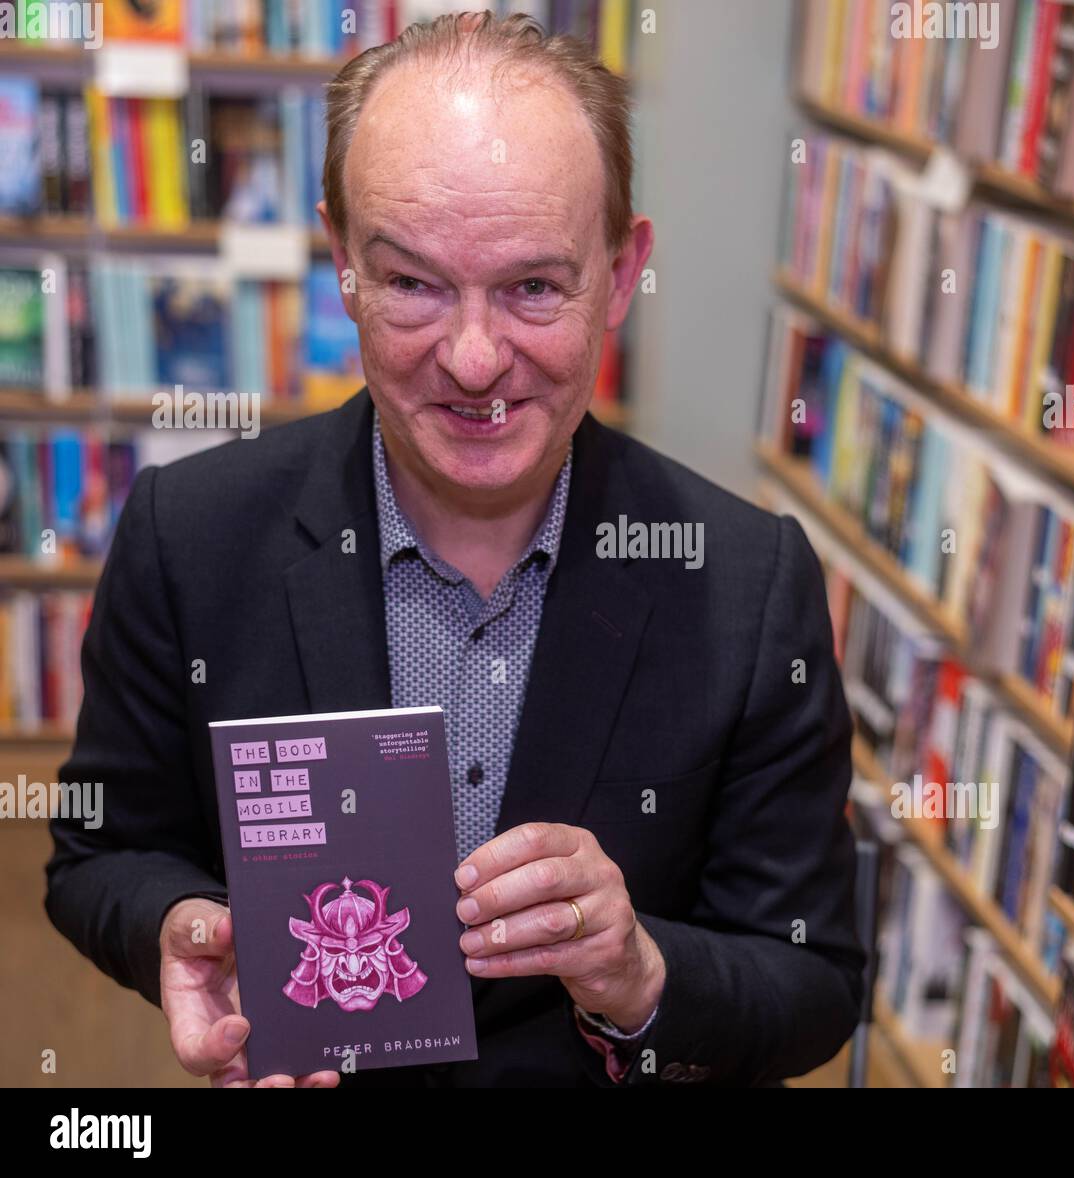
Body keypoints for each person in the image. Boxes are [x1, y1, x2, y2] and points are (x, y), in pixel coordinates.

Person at [44, 10, 863, 1088]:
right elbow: (100, 853)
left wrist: (640, 971)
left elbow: (812, 983)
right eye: (415, 284)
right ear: (342, 261)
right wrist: (189, 929)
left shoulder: (744, 585)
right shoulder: (188, 535)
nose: (474, 361)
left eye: (533, 287)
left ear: (621, 273)